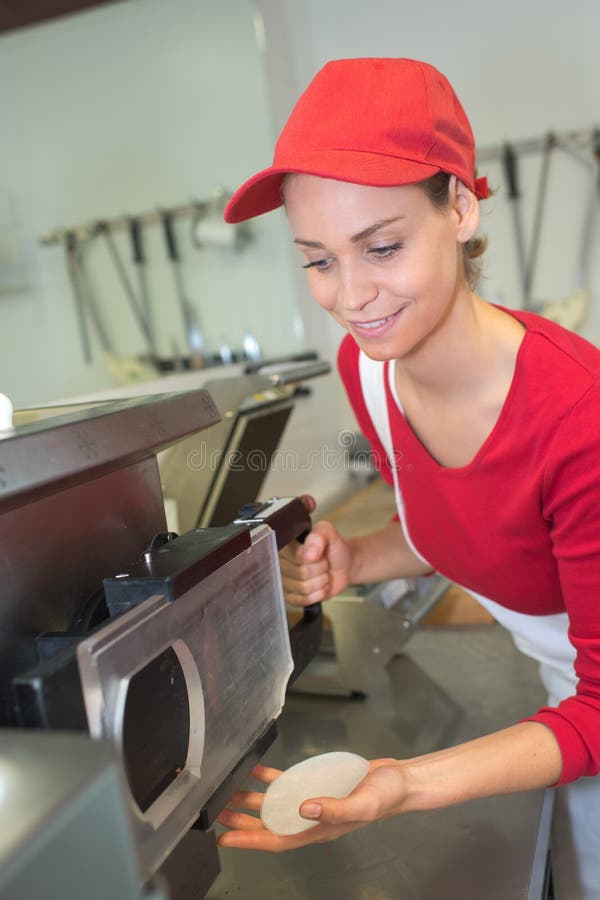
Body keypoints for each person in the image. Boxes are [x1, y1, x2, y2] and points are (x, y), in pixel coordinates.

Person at [218, 58, 600, 899]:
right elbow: (460, 524)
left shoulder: (578, 417)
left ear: (460, 208)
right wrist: (359, 557)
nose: (352, 297)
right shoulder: (370, 369)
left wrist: (408, 782)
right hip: (563, 711)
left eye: (381, 247)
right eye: (318, 260)